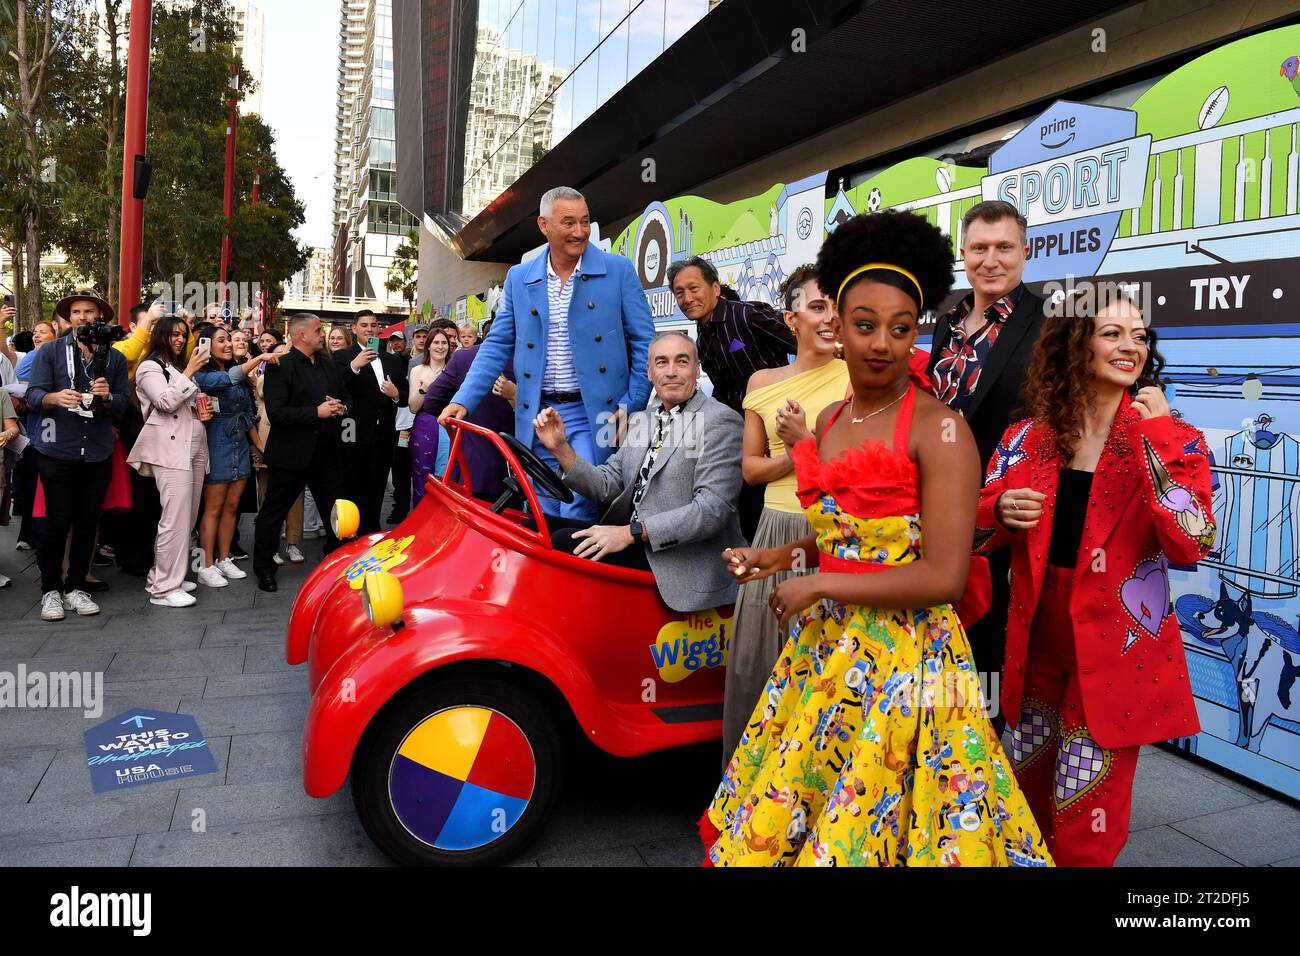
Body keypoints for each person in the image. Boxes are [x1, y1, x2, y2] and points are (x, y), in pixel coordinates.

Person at [700, 211, 1050, 867]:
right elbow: (846, 535)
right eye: (865, 325)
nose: (882, 343)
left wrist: (820, 582)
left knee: (879, 821)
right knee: (807, 808)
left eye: (901, 328)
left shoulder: (939, 429)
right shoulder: (828, 419)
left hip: (906, 664)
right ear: (837, 326)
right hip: (825, 657)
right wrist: (781, 557)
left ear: (918, 331)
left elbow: (944, 576)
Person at [974, 293, 1214, 865]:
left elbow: (1192, 542)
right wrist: (999, 510)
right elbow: (979, 524)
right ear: (1074, 344)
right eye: (1112, 333)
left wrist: (1161, 439)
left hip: (1115, 655)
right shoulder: (1026, 438)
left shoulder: (1172, 440)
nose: (1131, 347)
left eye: (1139, 336)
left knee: (1088, 814)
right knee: (1026, 797)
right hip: (1036, 646)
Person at [440, 186, 655, 522]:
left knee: (581, 500)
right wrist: (464, 398)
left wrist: (632, 403)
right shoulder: (519, 277)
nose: (580, 231)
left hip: (594, 414)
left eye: (585, 222)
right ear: (544, 225)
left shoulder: (618, 270)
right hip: (536, 412)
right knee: (540, 504)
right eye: (569, 223)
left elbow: (645, 342)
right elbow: (497, 344)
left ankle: (574, 571)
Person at [720, 264, 849, 761]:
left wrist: (808, 444)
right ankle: (751, 804)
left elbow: (864, 468)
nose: (830, 320)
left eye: (838, 309)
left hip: (834, 530)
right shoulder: (762, 381)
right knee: (759, 660)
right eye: (818, 307)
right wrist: (797, 453)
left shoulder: (859, 379)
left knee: (823, 666)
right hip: (773, 526)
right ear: (791, 317)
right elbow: (750, 470)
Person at [925, 200, 1049, 713]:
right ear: (963, 252)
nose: (991, 260)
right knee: (936, 642)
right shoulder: (944, 322)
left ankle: (979, 773)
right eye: (979, 248)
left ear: (1025, 251)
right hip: (932, 507)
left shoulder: (1050, 325)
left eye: (1003, 247)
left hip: (1003, 516)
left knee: (986, 655)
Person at [533, 330, 744, 611]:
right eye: (661, 362)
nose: (671, 372)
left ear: (697, 368)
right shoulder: (643, 420)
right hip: (638, 541)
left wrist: (629, 533)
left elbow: (710, 511)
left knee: (562, 543)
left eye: (681, 362)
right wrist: (560, 449)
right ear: (649, 372)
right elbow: (607, 484)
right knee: (538, 528)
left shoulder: (720, 421)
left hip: (680, 558)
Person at [668, 255, 797, 541]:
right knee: (749, 523)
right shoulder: (702, 339)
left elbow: (804, 342)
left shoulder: (746, 315)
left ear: (715, 288)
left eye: (694, 288)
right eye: (679, 293)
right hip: (743, 445)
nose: (687, 298)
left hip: (780, 438)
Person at [25, 290, 130, 622]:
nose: (83, 316)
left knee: (87, 524)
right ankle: (50, 590)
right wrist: (55, 397)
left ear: (99, 316)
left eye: (90, 311)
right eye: (77, 311)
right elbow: (32, 395)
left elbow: (125, 401)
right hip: (57, 448)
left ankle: (75, 587)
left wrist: (109, 397)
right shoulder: (51, 351)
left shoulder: (112, 356)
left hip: (97, 450)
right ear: (68, 317)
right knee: (57, 523)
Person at [253, 314, 350, 592]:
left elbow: (347, 399)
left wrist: (341, 407)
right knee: (273, 512)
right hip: (290, 454)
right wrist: (316, 412)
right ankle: (264, 569)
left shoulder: (330, 367)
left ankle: (339, 561)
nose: (323, 334)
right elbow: (277, 413)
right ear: (301, 336)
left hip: (326, 454)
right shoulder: (279, 366)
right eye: (318, 330)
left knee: (336, 513)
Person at [128, 317, 214, 607]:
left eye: (183, 335)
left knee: (187, 518)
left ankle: (164, 576)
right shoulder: (149, 367)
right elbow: (165, 402)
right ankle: (163, 588)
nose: (179, 340)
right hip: (170, 447)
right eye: (174, 335)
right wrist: (189, 371)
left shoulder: (176, 368)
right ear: (161, 336)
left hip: (195, 444)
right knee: (174, 519)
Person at [193, 323, 273, 587]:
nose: (228, 344)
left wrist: (259, 446)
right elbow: (228, 380)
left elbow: (249, 415)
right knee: (213, 507)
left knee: (232, 507)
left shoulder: (234, 372)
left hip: (240, 443)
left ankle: (224, 558)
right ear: (206, 346)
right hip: (216, 441)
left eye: (229, 340)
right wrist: (260, 357)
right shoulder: (201, 375)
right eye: (221, 340)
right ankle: (206, 565)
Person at [334, 309, 408, 534]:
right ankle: (347, 531)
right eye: (364, 325)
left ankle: (371, 531)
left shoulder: (393, 361)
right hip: (352, 429)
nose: (369, 329)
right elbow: (337, 388)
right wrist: (355, 366)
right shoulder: (343, 357)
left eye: (373, 325)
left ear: (379, 329)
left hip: (384, 432)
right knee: (350, 482)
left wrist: (396, 393)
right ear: (354, 328)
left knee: (377, 485)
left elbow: (406, 396)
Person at [425, 324, 515, 503]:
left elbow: (432, 401)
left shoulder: (463, 357)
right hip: (510, 469)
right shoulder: (528, 359)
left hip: (470, 466)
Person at [251, 329, 306, 565]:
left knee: (295, 497)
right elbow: (263, 390)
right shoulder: (263, 374)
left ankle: (293, 542)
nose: (283, 358)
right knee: (267, 497)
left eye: (287, 353)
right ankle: (269, 546)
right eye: (278, 354)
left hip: (295, 443)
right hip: (267, 441)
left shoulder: (300, 372)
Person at [408, 326, 453, 506]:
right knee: (421, 475)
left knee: (447, 477)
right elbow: (413, 406)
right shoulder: (417, 370)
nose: (440, 347)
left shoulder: (453, 370)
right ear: (428, 346)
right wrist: (425, 387)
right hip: (424, 425)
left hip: (449, 426)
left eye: (444, 343)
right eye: (436, 342)